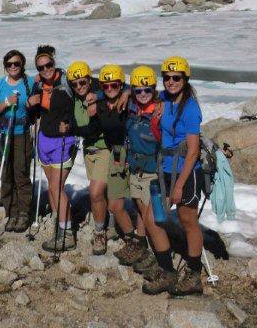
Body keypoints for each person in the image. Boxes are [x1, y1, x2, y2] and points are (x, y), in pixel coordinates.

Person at [141, 56, 205, 297]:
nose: (170, 82)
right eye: (166, 78)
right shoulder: (164, 100)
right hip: (164, 169)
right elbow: (137, 93)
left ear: (185, 79)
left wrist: (179, 185)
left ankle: (194, 274)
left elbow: (193, 151)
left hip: (186, 173)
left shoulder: (191, 108)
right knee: (152, 219)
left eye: (176, 78)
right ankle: (167, 271)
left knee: (188, 221)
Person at [87, 64, 149, 265]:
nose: (110, 89)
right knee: (115, 204)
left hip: (138, 156)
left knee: (140, 201)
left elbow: (147, 90)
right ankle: (133, 239)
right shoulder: (101, 104)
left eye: (115, 85)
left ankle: (141, 241)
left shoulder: (131, 100)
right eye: (106, 86)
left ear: (121, 85)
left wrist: (129, 91)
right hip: (117, 156)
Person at [28, 45, 77, 252]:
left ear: (54, 63)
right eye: (41, 67)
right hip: (44, 140)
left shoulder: (68, 81)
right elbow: (33, 112)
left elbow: (91, 90)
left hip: (64, 141)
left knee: (57, 188)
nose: (46, 69)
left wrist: (125, 93)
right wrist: (30, 103)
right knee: (52, 186)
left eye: (49, 65)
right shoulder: (39, 86)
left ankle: (67, 233)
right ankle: (60, 224)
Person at [0, 49, 33, 232]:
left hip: (21, 133)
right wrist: (6, 102)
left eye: (17, 63)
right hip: (1, 134)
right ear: (5, 66)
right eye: (9, 64)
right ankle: (11, 212)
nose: (13, 67)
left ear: (22, 65)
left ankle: (23, 213)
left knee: (20, 173)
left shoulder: (29, 82)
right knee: (5, 174)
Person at [67, 59, 110, 255]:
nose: (79, 87)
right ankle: (106, 220)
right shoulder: (75, 99)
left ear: (89, 79)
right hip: (88, 150)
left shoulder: (100, 93)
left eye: (82, 82)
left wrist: (98, 97)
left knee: (95, 192)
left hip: (104, 149)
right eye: (74, 84)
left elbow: (124, 87)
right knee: (99, 192)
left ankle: (100, 232)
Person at [125, 65, 163, 273]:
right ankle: (145, 249)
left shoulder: (159, 111)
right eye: (138, 90)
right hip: (135, 168)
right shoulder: (132, 106)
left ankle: (160, 259)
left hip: (152, 171)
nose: (143, 94)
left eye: (147, 89)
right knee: (141, 210)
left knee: (152, 219)